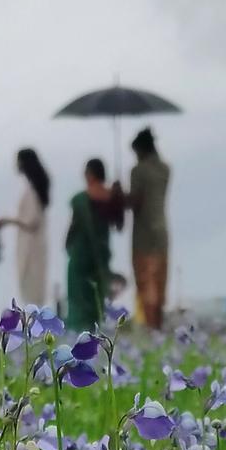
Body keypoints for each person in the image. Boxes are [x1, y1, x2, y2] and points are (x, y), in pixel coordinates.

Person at [65, 159, 122, 332]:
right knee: (97, 296)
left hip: (81, 254)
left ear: (90, 174)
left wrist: (68, 246)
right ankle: (96, 333)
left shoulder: (80, 199)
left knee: (79, 297)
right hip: (101, 255)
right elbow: (119, 224)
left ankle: (79, 336)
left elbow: (73, 227)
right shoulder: (111, 197)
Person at [124, 126, 171, 330]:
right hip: (161, 231)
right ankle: (158, 325)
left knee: (146, 282)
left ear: (141, 150)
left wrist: (119, 195)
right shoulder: (165, 169)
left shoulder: (138, 171)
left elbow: (135, 201)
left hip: (142, 235)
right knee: (160, 281)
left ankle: (152, 327)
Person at [0, 148, 51, 310]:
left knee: (32, 286)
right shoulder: (33, 189)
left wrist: (7, 221)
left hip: (32, 245)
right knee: (31, 286)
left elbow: (32, 222)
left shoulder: (33, 191)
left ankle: (35, 325)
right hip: (31, 243)